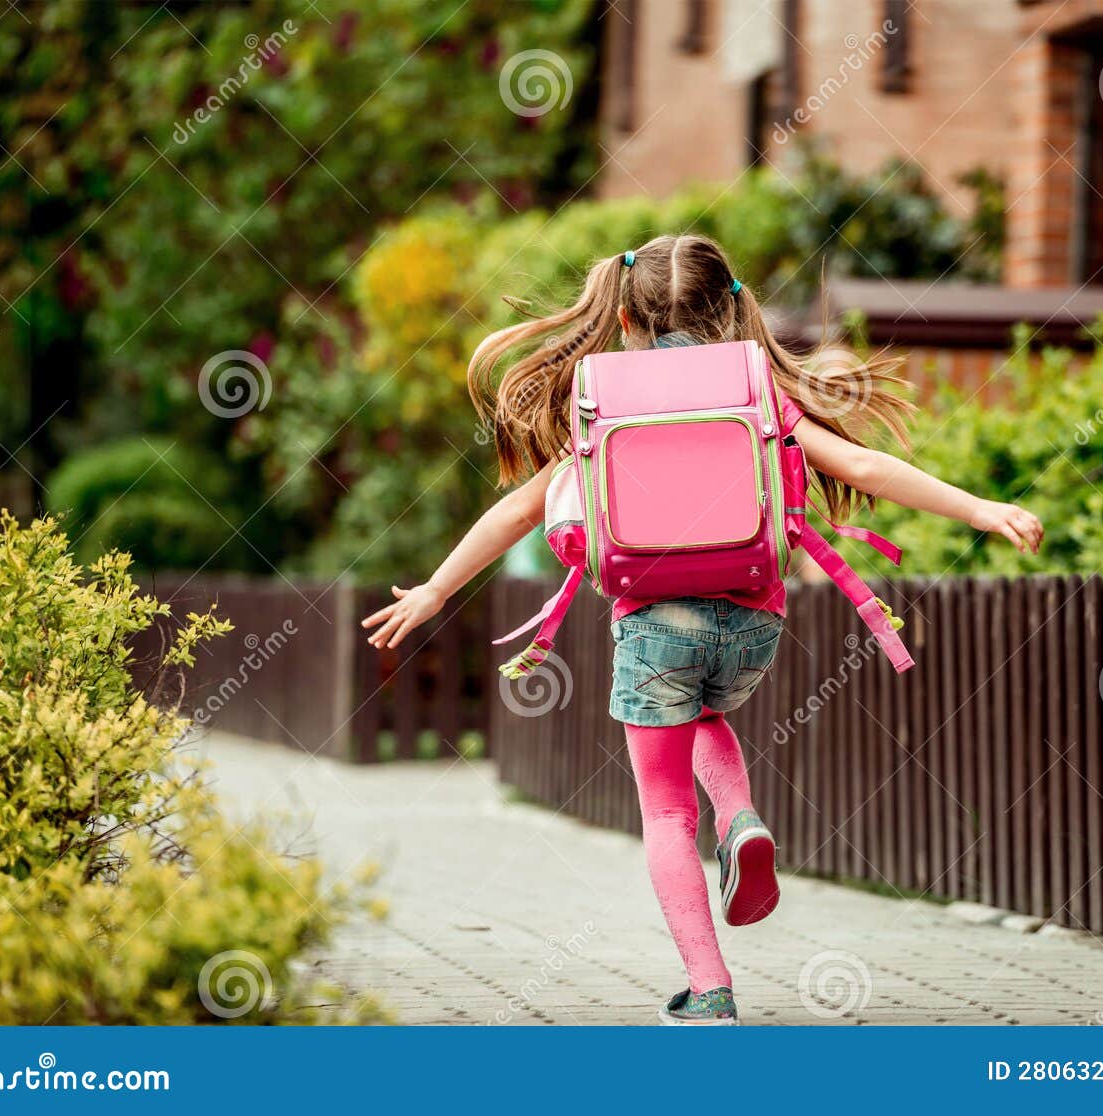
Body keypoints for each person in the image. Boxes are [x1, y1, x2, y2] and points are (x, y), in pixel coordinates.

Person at [362, 235, 1043, 1025]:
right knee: (708, 711)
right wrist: (980, 508)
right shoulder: (757, 393)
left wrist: (439, 590)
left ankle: (710, 988)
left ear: (621, 316)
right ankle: (744, 817)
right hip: (754, 620)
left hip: (653, 624)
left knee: (664, 812)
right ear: (728, 311)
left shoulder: (600, 399)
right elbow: (863, 471)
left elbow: (519, 509)